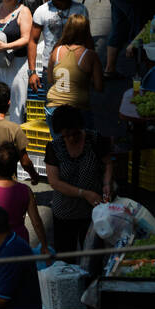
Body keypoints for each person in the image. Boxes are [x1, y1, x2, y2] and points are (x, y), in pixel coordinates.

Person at [0, 145, 49, 295]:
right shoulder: (25, 191)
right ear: (15, 166)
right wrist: (44, 246)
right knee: (17, 290)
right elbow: (36, 222)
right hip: (18, 246)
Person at [44, 104, 113, 256]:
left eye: (75, 133)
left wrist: (107, 184)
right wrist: (84, 193)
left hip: (93, 213)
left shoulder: (95, 140)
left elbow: (107, 163)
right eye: (66, 135)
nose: (71, 138)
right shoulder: (54, 147)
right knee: (65, 259)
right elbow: (54, 182)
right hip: (64, 213)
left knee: (93, 258)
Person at [29, 0, 87, 89]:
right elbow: (33, 41)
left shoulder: (80, 10)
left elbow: (86, 40)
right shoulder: (42, 11)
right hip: (50, 70)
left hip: (75, 69)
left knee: (72, 107)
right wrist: (32, 72)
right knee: (51, 106)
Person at [45, 12, 103, 131]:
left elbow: (50, 80)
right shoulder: (90, 55)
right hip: (78, 109)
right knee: (84, 145)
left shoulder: (56, 51)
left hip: (54, 108)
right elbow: (99, 86)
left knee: (59, 146)